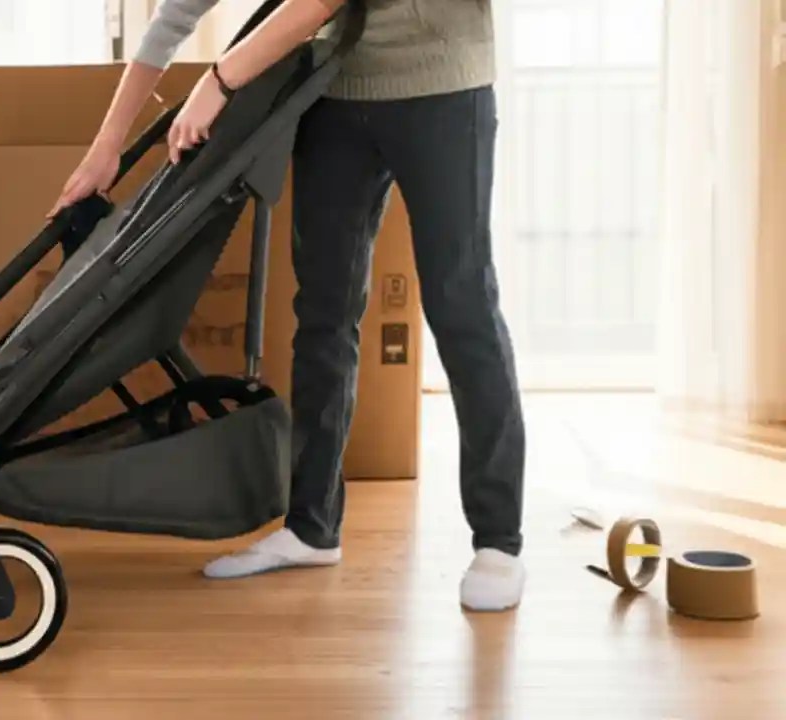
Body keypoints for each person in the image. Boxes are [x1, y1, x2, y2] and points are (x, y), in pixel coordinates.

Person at [49, 0, 526, 612]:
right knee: (324, 311)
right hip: (333, 91)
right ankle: (311, 526)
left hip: (441, 89)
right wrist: (105, 149)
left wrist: (219, 80)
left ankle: (498, 540)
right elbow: (173, 17)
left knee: (462, 306)